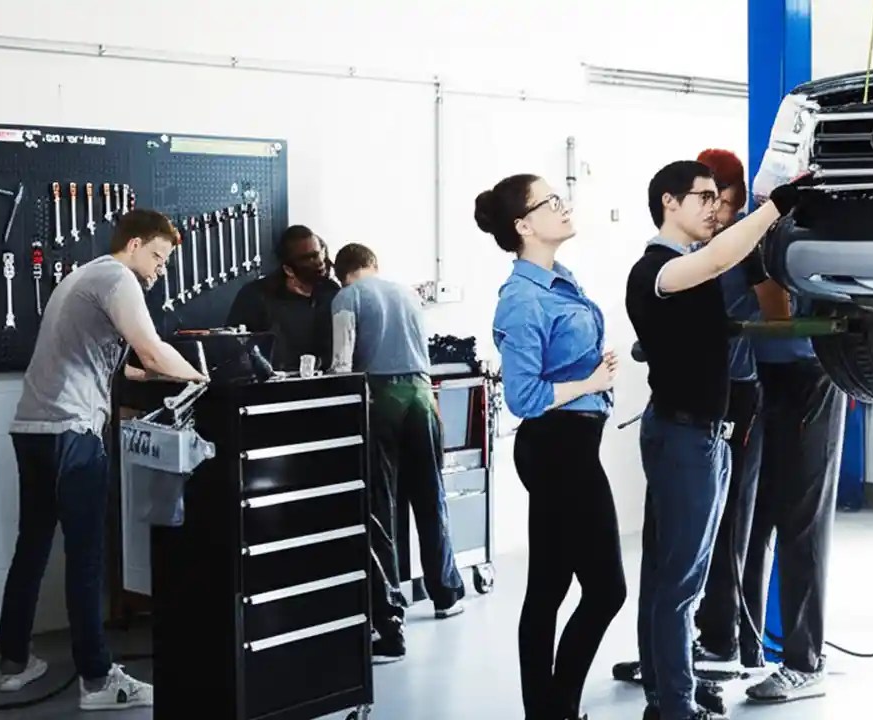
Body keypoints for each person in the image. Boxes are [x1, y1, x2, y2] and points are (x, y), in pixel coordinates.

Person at [0, 209, 209, 711]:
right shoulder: (118, 277)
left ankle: (13, 664)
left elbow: (110, 361)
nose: (160, 269)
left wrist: (140, 374)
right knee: (88, 558)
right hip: (73, 434)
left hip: (32, 430)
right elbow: (153, 352)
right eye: (157, 256)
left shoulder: (81, 276)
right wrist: (206, 382)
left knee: (32, 547)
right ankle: (97, 681)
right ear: (133, 245)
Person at [625, 160, 808, 720]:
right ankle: (675, 705)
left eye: (715, 196)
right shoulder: (656, 268)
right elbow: (722, 256)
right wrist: (778, 206)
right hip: (686, 437)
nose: (713, 206)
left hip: (696, 433)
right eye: (702, 197)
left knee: (666, 573)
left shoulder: (686, 269)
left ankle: (666, 690)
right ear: (668, 204)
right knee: (680, 581)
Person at [478, 174, 627, 720]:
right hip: (556, 448)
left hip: (572, 443)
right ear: (524, 226)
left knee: (549, 586)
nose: (564, 208)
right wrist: (589, 385)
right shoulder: (521, 299)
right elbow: (523, 396)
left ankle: (547, 710)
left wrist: (593, 377)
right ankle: (556, 707)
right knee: (605, 590)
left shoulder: (560, 280)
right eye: (551, 202)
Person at [329, 242, 467, 665]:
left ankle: (389, 623)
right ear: (374, 264)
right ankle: (446, 594)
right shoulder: (407, 293)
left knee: (381, 510)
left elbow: (342, 363)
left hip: (380, 399)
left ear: (342, 272)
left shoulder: (346, 297)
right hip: (423, 397)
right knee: (431, 497)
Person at [736, 206, 848, 704]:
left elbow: (780, 313)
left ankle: (805, 663)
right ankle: (745, 647)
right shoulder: (750, 227)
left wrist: (757, 265)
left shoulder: (809, 231)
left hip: (811, 378)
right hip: (765, 381)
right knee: (756, 519)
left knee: (802, 521)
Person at [688, 149, 769, 669]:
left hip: (739, 390)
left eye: (715, 196)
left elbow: (774, 307)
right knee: (703, 519)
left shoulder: (744, 244)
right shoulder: (695, 246)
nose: (710, 207)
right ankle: (715, 632)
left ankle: (727, 635)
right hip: (699, 393)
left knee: (733, 516)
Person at [226, 224, 341, 371]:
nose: (319, 262)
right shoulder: (256, 296)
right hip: (274, 386)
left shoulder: (331, 292)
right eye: (309, 258)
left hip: (325, 383)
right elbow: (235, 346)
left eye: (319, 253)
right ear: (288, 269)